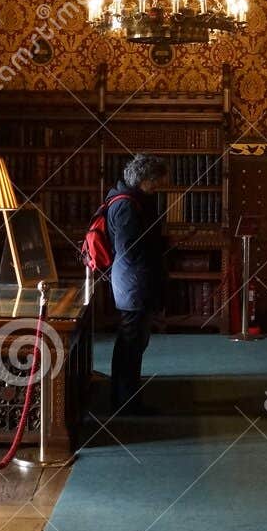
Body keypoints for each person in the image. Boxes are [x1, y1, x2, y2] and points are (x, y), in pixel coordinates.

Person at [106, 154, 169, 413]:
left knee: (133, 342)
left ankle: (124, 397)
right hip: (133, 283)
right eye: (157, 182)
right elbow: (129, 249)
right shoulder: (127, 206)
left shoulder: (132, 200)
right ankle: (127, 402)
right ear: (145, 179)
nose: (159, 187)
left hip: (134, 281)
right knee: (131, 344)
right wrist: (157, 248)